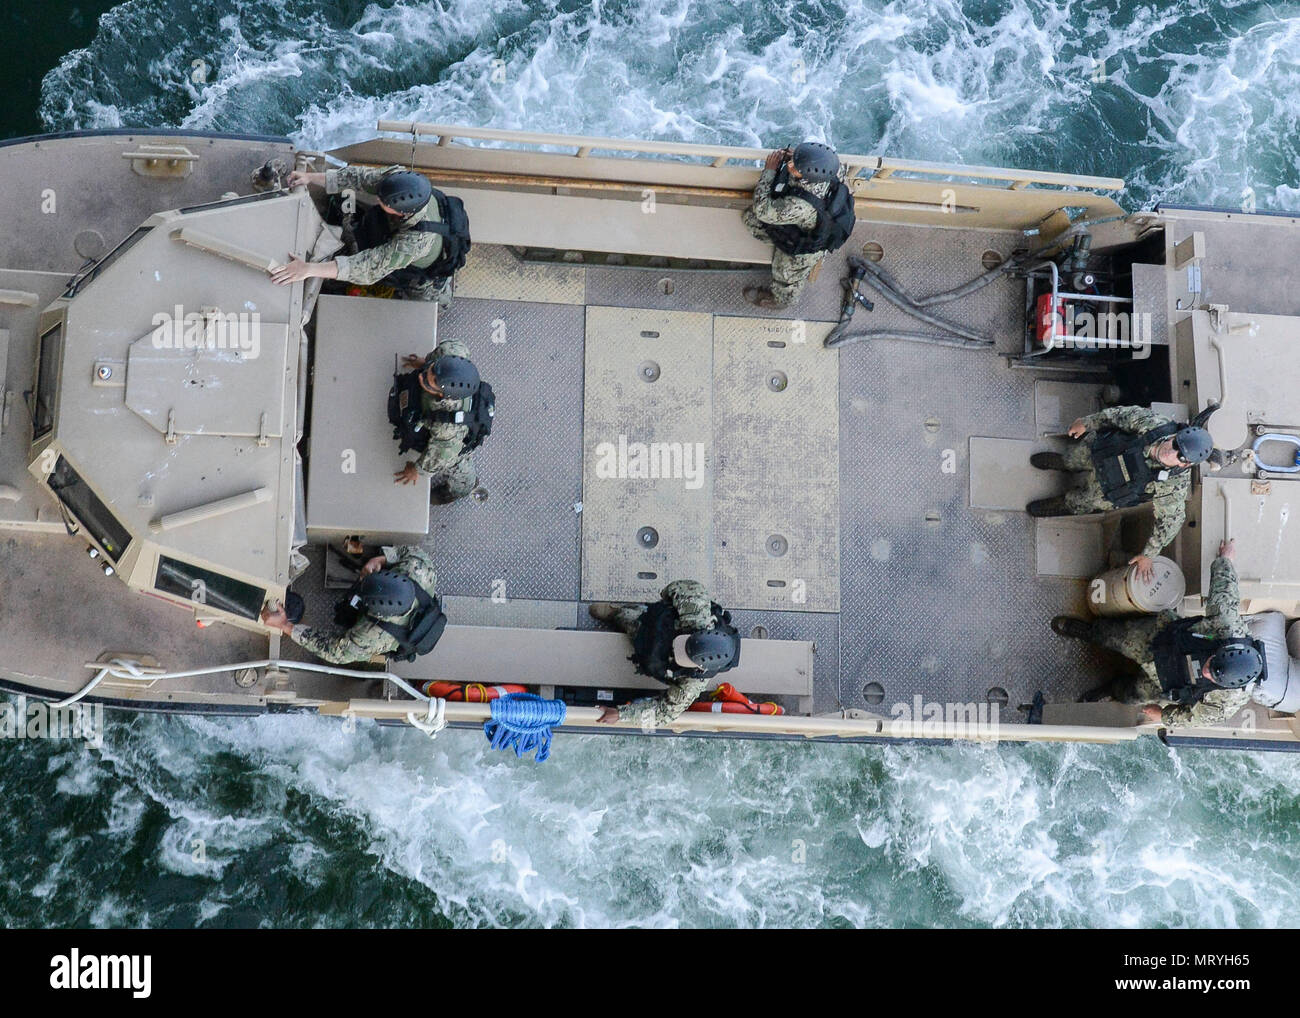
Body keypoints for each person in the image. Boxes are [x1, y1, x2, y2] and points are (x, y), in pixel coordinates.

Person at [1052, 539, 1263, 728]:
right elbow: (1224, 589)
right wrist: (1225, 558)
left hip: (1168, 680)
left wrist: (1163, 715)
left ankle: (1109, 689)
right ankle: (1088, 632)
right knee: (1113, 635)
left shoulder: (1229, 700)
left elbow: (1193, 718)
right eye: (1211, 665)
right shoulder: (1228, 626)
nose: (1206, 672)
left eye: (1213, 676)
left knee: (1131, 695)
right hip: (1164, 641)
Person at [1027, 405, 1213, 583]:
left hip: (1111, 489)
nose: (1171, 452)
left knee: (1079, 502)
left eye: (1180, 456)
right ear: (1175, 435)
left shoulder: (1174, 485)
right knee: (1072, 458)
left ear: (1185, 464)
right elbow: (1121, 415)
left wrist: (1148, 554)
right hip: (1101, 453)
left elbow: (1171, 521)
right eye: (1175, 444)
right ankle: (1061, 463)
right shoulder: (1156, 425)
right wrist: (1087, 422)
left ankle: (1058, 504)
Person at [270, 165, 469, 307]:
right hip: (404, 231)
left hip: (426, 272)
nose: (377, 198)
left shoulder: (414, 244)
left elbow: (366, 268)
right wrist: (311, 178)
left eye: (381, 201)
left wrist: (308, 269)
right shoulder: (397, 180)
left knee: (425, 300)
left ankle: (442, 297)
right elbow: (360, 178)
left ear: (398, 212)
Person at [589, 580, 740, 727]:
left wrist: (622, 714)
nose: (676, 649)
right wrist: (666, 597)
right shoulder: (697, 614)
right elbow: (681, 588)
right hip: (657, 625)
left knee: (642, 640)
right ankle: (618, 613)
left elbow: (664, 714)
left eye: (684, 656)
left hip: (657, 658)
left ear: (700, 668)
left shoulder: (693, 683)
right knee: (632, 618)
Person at [261, 546, 445, 665]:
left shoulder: (371, 636)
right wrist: (380, 560)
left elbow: (335, 651)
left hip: (393, 635)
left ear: (377, 614)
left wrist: (285, 625)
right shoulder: (418, 569)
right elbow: (407, 552)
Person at [741, 141, 856, 309]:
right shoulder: (831, 168)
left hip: (807, 245)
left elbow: (762, 210)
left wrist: (770, 171)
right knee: (749, 218)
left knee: (786, 274)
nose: (790, 164)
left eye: (795, 166)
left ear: (808, 176)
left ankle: (781, 301)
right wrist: (801, 158)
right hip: (813, 223)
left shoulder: (800, 205)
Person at [390, 337, 491, 504]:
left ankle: (460, 488)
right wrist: (425, 363)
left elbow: (441, 456)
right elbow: (437, 359)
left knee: (458, 466)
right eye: (431, 370)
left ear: (443, 395)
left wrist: (416, 470)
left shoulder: (447, 427)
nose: (424, 376)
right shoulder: (451, 351)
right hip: (446, 433)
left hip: (455, 443)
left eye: (430, 381)